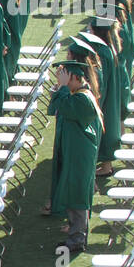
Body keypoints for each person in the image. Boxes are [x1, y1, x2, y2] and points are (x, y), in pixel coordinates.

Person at [47, 60, 102, 255]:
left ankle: (77, 238)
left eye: (66, 77)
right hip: (75, 151)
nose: (63, 80)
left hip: (80, 154)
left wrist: (61, 88)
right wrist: (60, 88)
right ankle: (76, 234)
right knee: (73, 191)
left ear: (76, 78)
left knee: (77, 193)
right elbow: (54, 108)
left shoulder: (83, 98)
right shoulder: (76, 95)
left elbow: (64, 107)